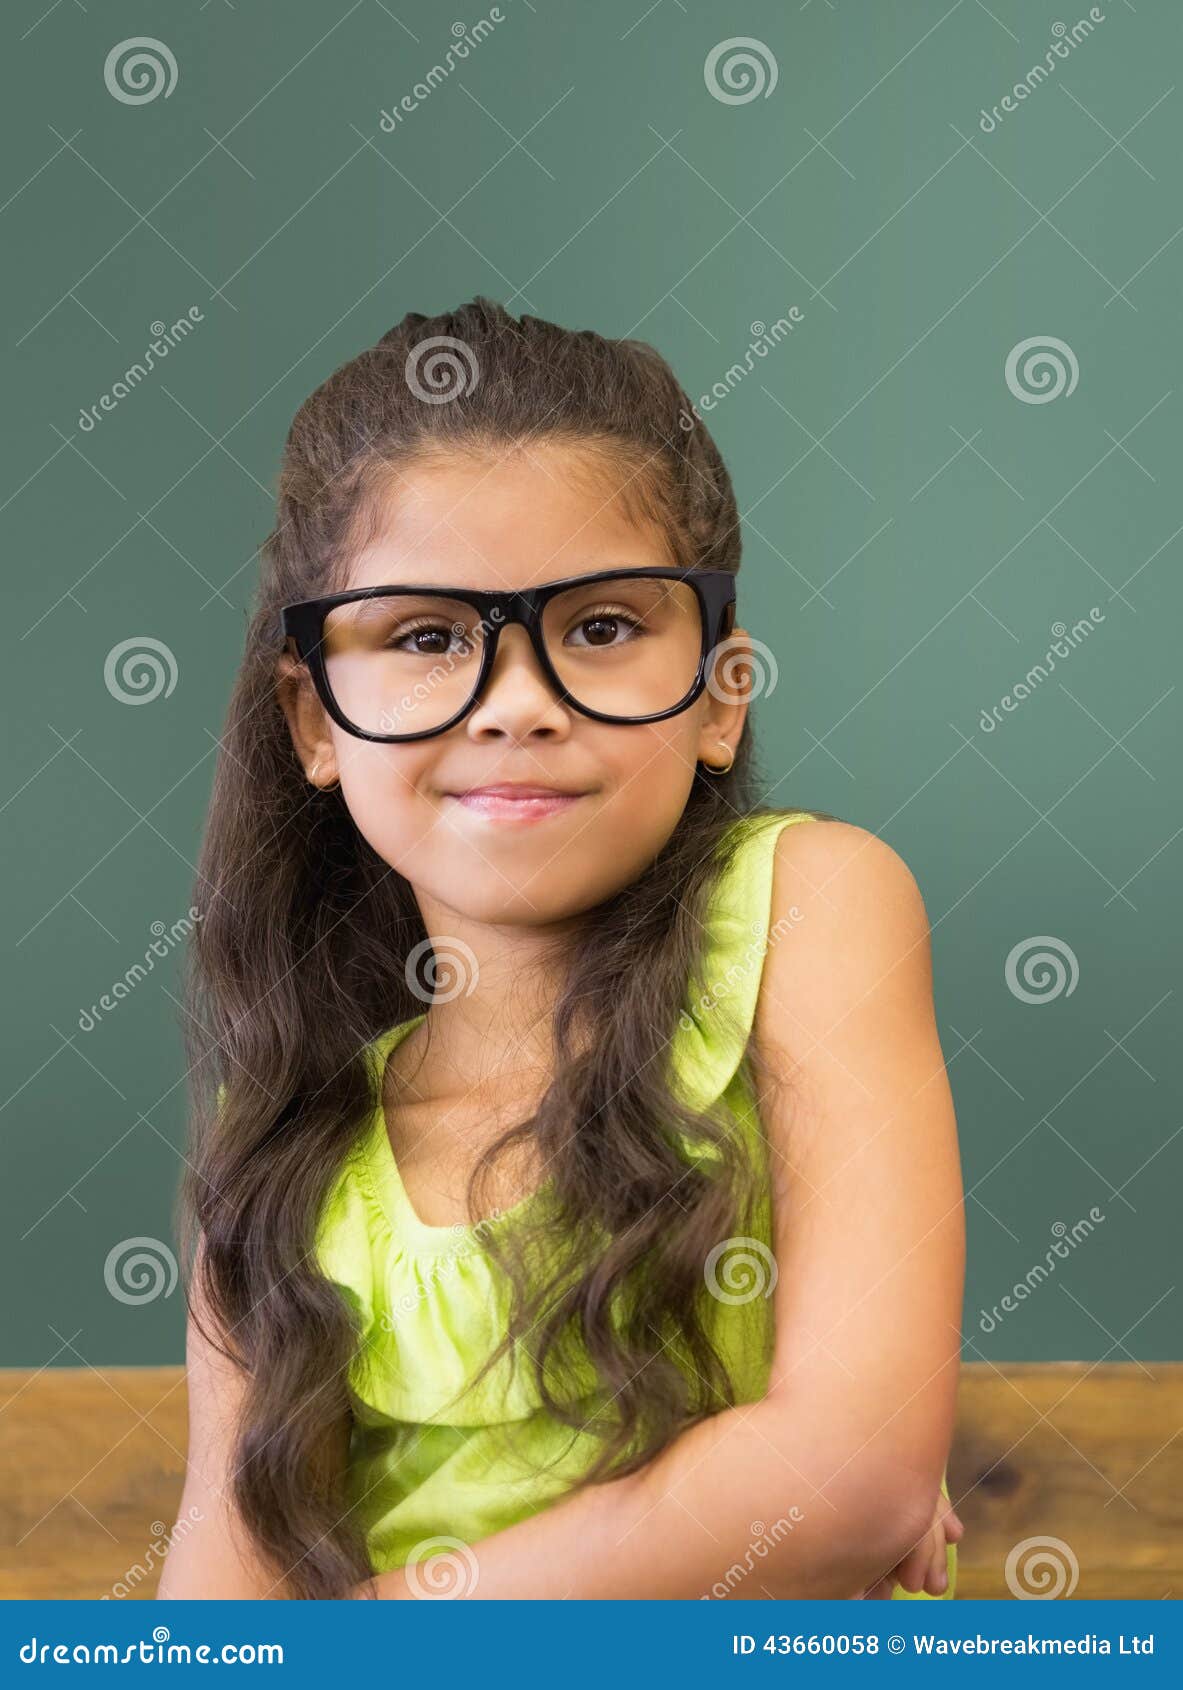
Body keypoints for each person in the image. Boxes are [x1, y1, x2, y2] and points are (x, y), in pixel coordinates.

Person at [157, 298, 965, 1602]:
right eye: (427, 638)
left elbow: (851, 1471)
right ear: (314, 720)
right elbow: (224, 1586)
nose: (519, 702)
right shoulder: (288, 1119)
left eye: (599, 628)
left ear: (716, 693)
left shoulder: (815, 906)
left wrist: (373, 1639)